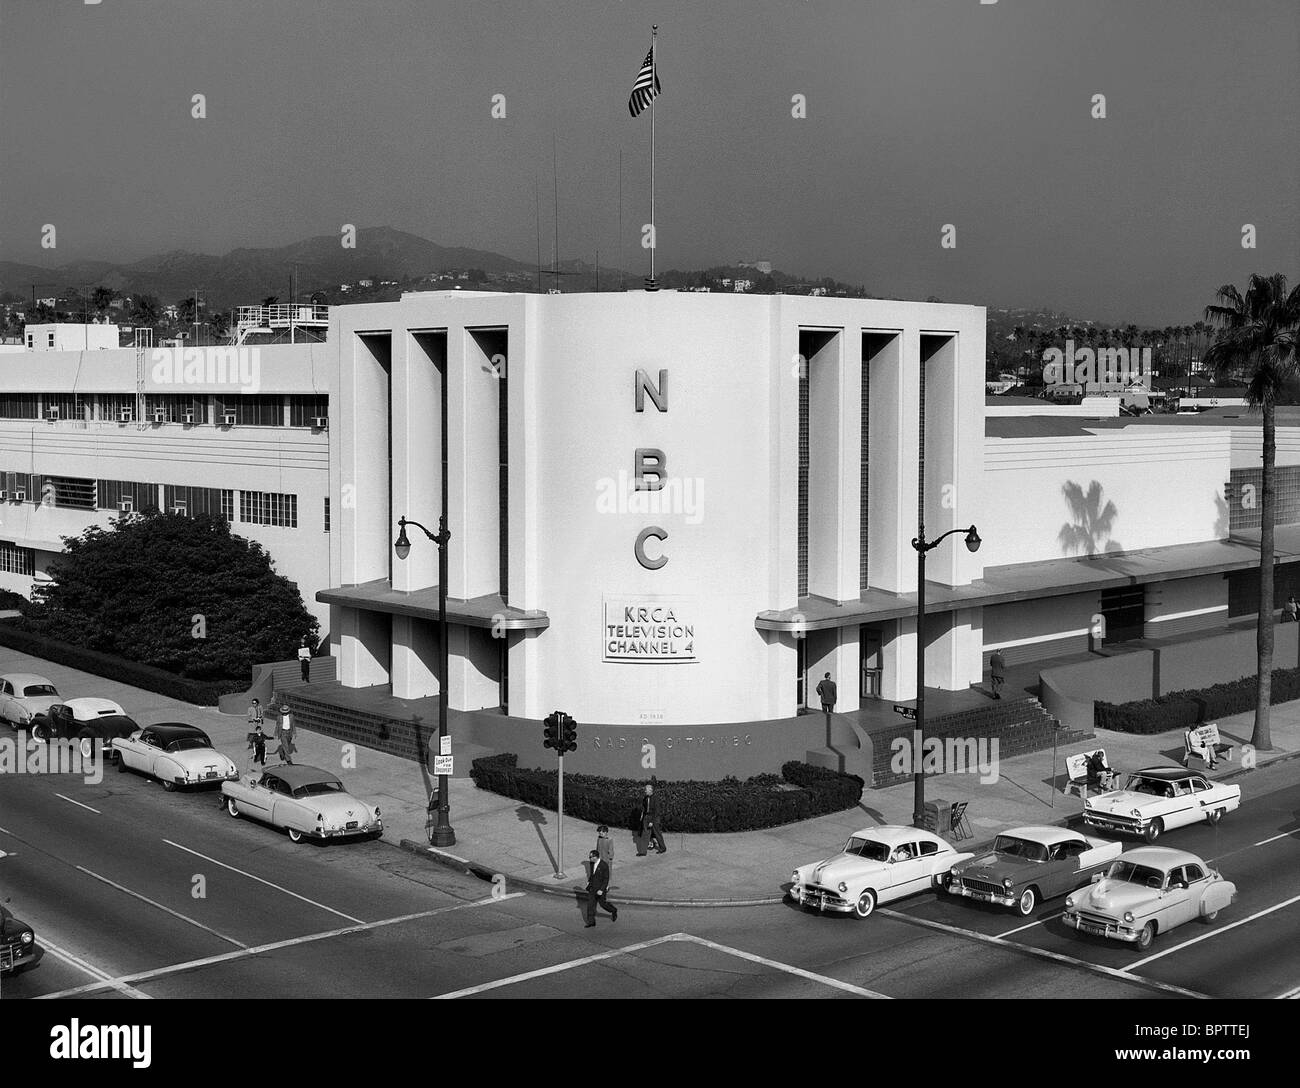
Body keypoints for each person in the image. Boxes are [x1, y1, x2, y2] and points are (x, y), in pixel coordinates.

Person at [584, 849, 617, 927]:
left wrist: (601, 890)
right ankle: (591, 922)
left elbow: (606, 879)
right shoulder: (592, 864)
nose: (589, 858)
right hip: (592, 888)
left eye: (590, 857)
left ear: (595, 857)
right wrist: (589, 881)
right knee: (590, 905)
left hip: (600, 889)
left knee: (603, 904)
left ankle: (613, 910)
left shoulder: (604, 865)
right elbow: (592, 874)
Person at [636, 781, 667, 856]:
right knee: (645, 834)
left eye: (646, 789)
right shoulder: (645, 798)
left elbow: (657, 811)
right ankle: (643, 852)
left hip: (654, 818)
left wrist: (652, 821)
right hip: (646, 817)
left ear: (651, 790)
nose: (645, 791)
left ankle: (663, 848)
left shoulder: (656, 798)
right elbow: (644, 807)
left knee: (657, 833)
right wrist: (642, 816)